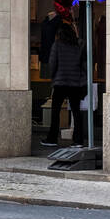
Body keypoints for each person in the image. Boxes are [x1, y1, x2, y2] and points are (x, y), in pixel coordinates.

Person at [41, 17, 87, 148]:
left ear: (59, 34)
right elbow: (83, 65)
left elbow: (52, 64)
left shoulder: (57, 45)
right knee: (76, 112)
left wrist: (53, 77)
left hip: (60, 83)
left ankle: (52, 138)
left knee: (55, 112)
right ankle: (78, 140)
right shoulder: (78, 46)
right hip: (75, 84)